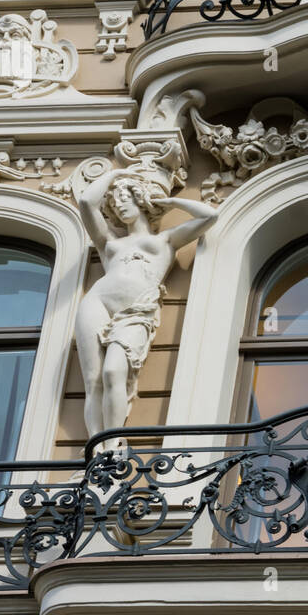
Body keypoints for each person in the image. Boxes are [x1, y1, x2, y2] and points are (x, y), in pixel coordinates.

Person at [75, 166, 219, 453]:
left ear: (140, 198)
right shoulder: (109, 243)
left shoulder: (165, 240)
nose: (119, 206)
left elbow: (209, 216)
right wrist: (116, 174)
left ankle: (113, 444)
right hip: (97, 303)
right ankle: (96, 452)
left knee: (114, 372)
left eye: (125, 199)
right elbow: (86, 202)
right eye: (115, 203)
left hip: (137, 311)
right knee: (93, 380)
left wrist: (171, 202)